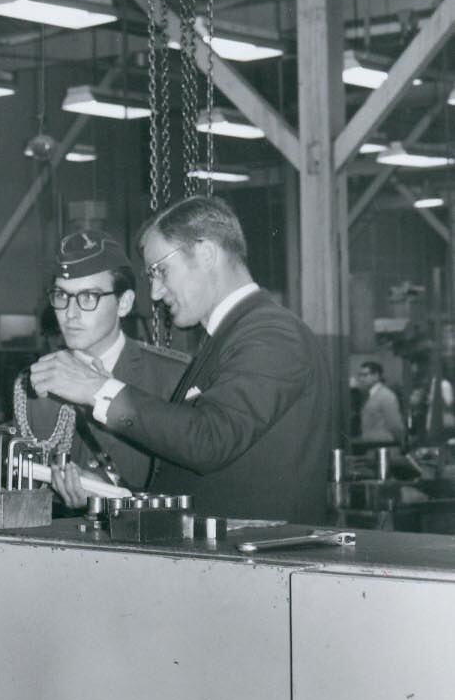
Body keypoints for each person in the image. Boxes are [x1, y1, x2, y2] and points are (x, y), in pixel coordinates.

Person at [29, 194, 333, 524]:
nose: (156, 293)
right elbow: (194, 475)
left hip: (255, 563)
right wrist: (112, 494)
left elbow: (209, 441)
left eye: (160, 271)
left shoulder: (272, 335)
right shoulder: (228, 340)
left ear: (205, 254)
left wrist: (97, 388)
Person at [23, 230, 189, 506]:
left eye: (88, 297)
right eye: (61, 296)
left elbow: (188, 493)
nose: (70, 313)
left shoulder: (172, 377)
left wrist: (111, 500)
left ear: (123, 304)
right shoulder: (34, 383)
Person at [355, 360, 405, 447]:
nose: (361, 379)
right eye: (360, 375)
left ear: (376, 376)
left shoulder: (386, 396)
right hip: (372, 446)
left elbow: (396, 425)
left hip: (384, 447)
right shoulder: (370, 395)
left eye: (365, 375)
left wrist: (399, 443)